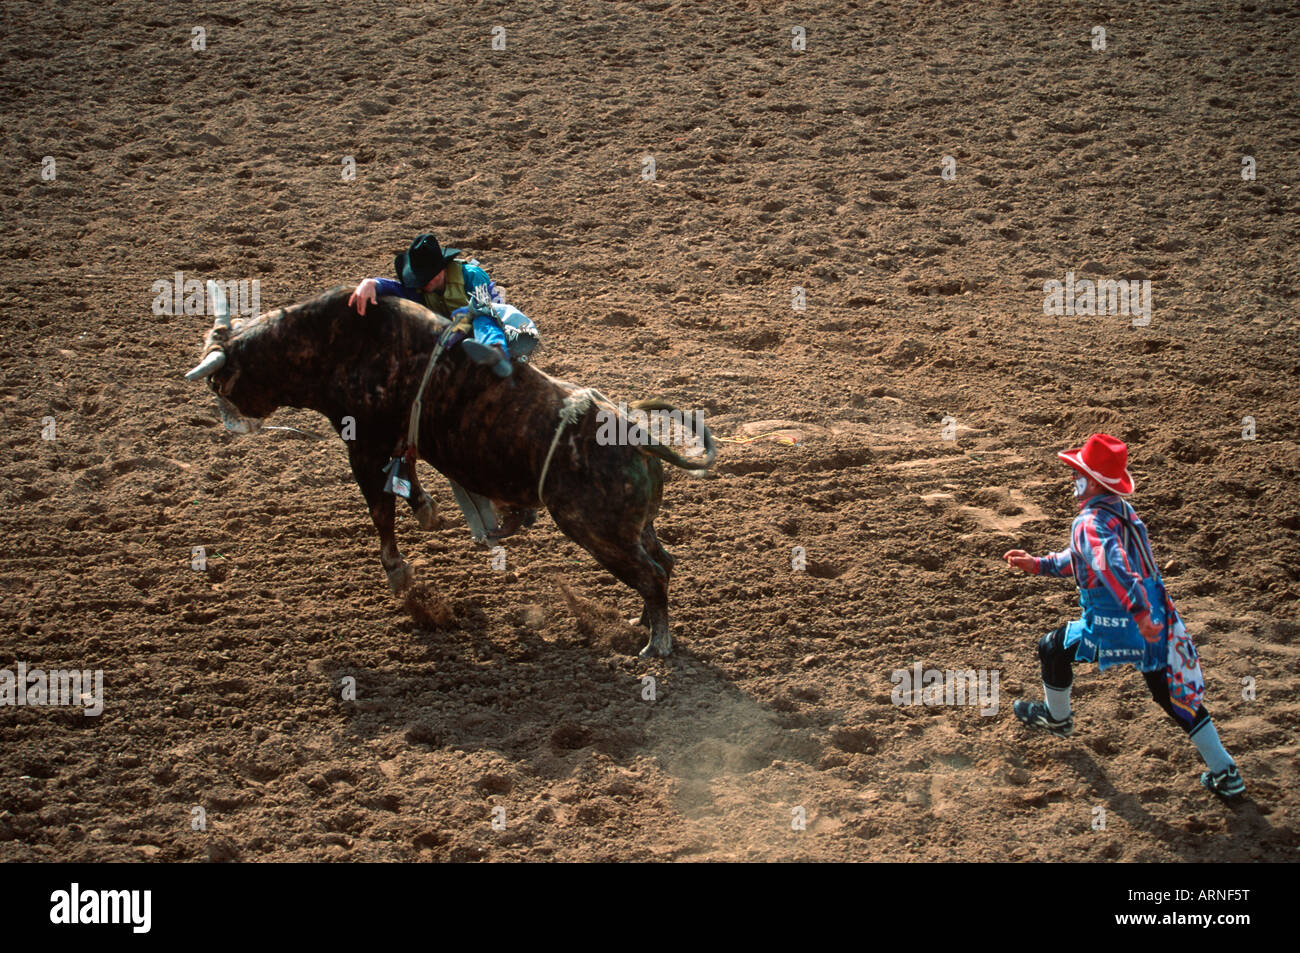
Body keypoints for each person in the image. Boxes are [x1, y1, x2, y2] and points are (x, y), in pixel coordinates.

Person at [1003, 433, 1244, 799]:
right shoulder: (1121, 512)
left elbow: (1110, 565)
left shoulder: (1088, 523)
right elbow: (1085, 559)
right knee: (1168, 693)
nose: (1072, 478)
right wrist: (1039, 564)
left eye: (1077, 472)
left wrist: (1139, 614)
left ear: (1093, 480)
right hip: (1157, 615)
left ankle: (1057, 719)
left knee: (1052, 647)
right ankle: (1225, 771)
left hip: (1119, 622)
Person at [348, 233, 537, 378]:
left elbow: (493, 307)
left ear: (441, 271)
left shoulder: (472, 275)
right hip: (448, 335)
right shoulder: (421, 289)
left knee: (482, 316)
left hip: (480, 329)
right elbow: (396, 289)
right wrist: (371, 283)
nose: (421, 284)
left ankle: (496, 353)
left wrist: (466, 317)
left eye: (425, 278)